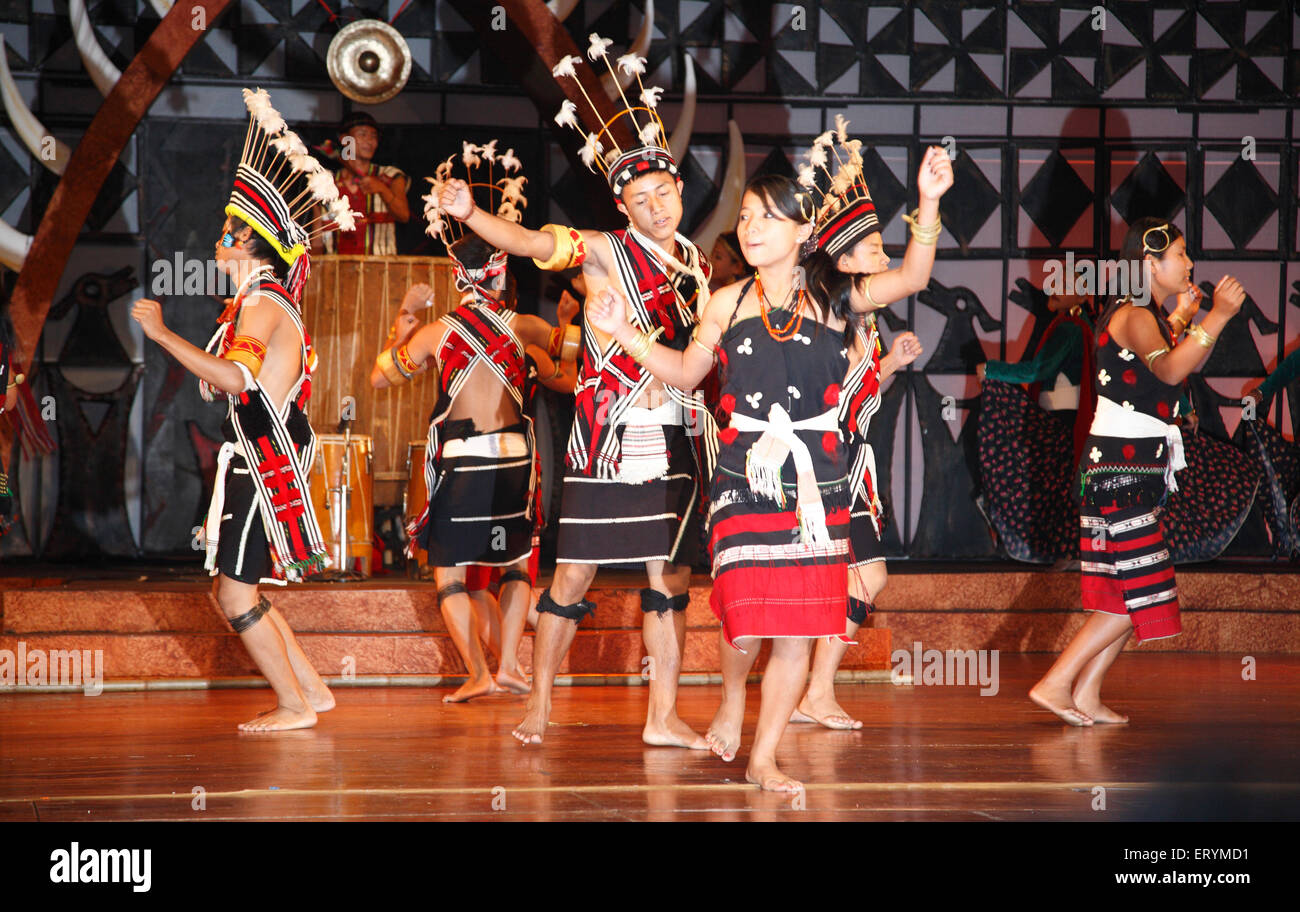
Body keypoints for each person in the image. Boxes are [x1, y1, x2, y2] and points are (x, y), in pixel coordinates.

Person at [589, 156, 949, 791]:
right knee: (747, 612)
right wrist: (626, 334)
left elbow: (915, 275)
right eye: (746, 215)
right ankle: (732, 700)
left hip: (819, 480)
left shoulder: (835, 296)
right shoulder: (725, 301)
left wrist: (928, 199)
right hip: (743, 474)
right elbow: (685, 374)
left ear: (802, 229)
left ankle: (764, 755)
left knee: (799, 628)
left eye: (766, 217)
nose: (750, 228)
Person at [437, 40, 715, 749]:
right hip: (610, 434)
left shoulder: (697, 262)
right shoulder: (601, 250)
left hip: (677, 431)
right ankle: (538, 708)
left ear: (681, 192)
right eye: (642, 199)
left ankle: (663, 717)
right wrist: (473, 216)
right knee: (572, 577)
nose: (657, 206)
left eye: (666, 193)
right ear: (623, 206)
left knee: (670, 581)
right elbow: (529, 243)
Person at [130, 88, 351, 730]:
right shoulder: (258, 300)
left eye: (229, 233)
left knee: (234, 593)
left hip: (265, 457)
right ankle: (310, 691)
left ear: (248, 246)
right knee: (241, 586)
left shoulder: (260, 303)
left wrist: (165, 336)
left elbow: (236, 376)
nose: (219, 242)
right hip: (261, 450)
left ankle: (292, 705)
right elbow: (242, 379)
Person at [376, 143, 579, 702]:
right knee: (515, 564)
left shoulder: (438, 331)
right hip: (517, 458)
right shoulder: (525, 325)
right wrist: (568, 322)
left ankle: (478, 672)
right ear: (500, 270)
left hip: (465, 459)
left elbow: (381, 378)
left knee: (450, 575)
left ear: (457, 277)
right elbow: (575, 360)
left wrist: (402, 325)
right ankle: (510, 664)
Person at [1029, 218, 1244, 726]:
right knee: (1142, 589)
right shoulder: (1133, 314)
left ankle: (1085, 693)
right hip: (1119, 471)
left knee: (1128, 590)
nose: (1189, 264)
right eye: (1181, 254)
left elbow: (1164, 369)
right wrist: (1217, 316)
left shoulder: (1143, 316)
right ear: (1149, 263)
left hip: (1125, 468)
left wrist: (1188, 319)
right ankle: (1056, 682)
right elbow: (1170, 370)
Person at [791, 132, 951, 730]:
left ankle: (812, 691)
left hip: (847, 465)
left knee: (854, 577)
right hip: (823, 466)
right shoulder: (835, 306)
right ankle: (810, 692)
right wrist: (928, 205)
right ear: (846, 260)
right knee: (860, 576)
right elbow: (913, 276)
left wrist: (886, 367)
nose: (883, 259)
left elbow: (854, 396)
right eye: (876, 250)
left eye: (886, 249)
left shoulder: (863, 323)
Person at [320, 111, 409, 255]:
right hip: (336, 270)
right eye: (362, 134)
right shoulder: (325, 183)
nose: (370, 141)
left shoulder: (391, 176)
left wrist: (382, 189)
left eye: (374, 136)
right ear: (345, 139)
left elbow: (404, 216)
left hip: (381, 269)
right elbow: (317, 236)